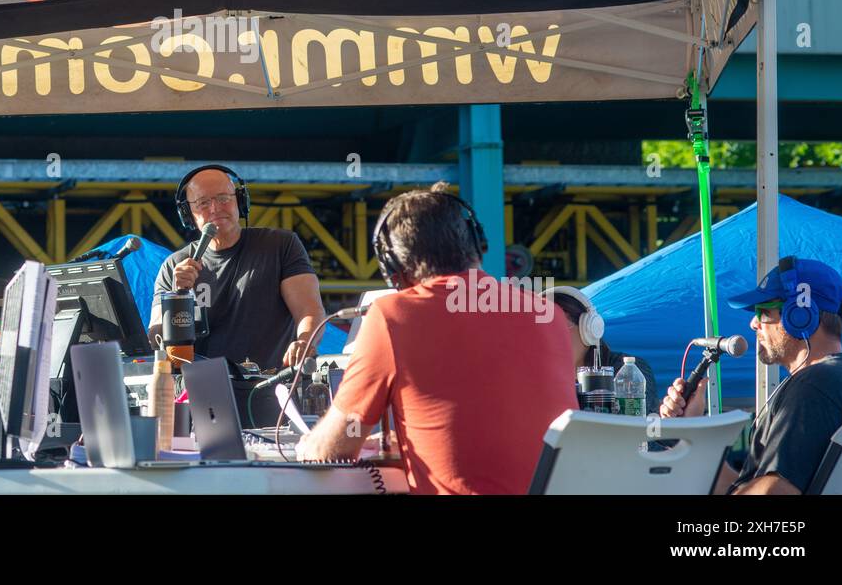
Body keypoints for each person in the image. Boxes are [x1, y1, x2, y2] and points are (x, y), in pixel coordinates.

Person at [297, 183, 578, 493]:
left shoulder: (392, 316)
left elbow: (333, 450)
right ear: (476, 242)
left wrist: (308, 443)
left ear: (393, 267)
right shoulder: (547, 313)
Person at [659, 256, 842, 494]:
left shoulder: (813, 386)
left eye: (763, 311)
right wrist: (691, 433)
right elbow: (741, 487)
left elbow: (775, 492)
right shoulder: (837, 381)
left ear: (800, 315)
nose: (753, 323)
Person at [148, 164, 325, 371]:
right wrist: (177, 297)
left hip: (271, 385)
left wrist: (304, 342)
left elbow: (309, 309)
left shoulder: (280, 245)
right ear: (188, 214)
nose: (215, 209)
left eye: (223, 198)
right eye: (203, 202)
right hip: (201, 389)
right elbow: (155, 337)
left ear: (240, 201)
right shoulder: (174, 265)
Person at [552, 286, 660, 415]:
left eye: (560, 326)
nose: (552, 337)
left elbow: (630, 426)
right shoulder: (545, 379)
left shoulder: (629, 370)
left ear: (588, 329)